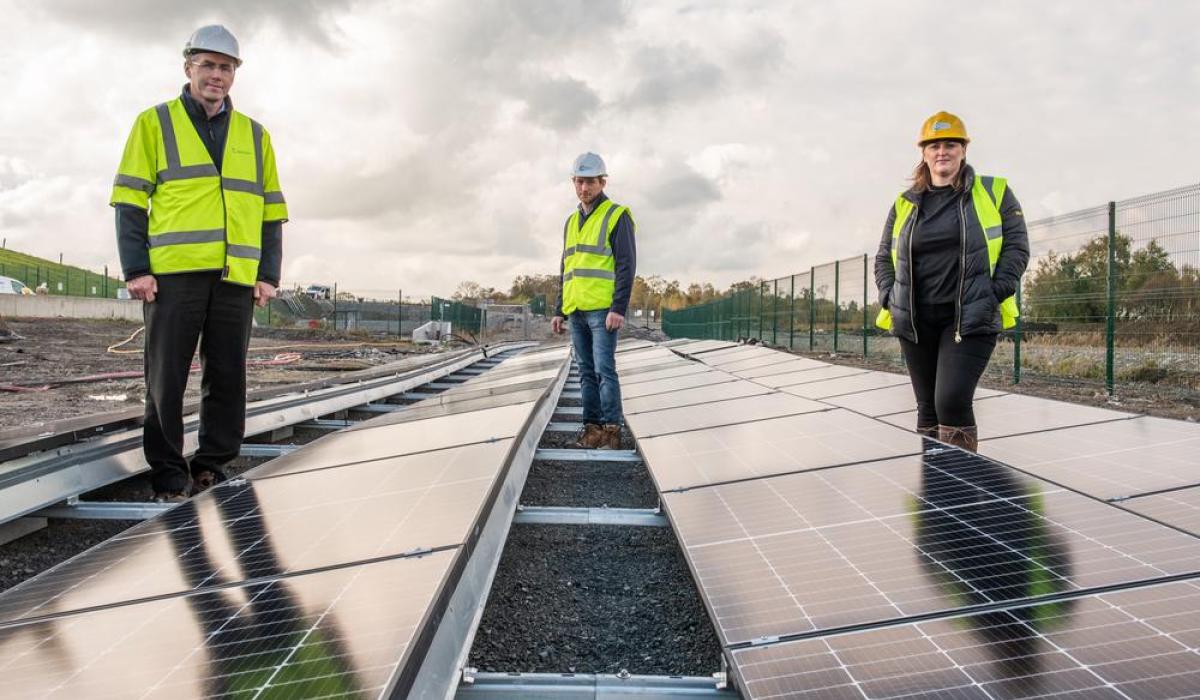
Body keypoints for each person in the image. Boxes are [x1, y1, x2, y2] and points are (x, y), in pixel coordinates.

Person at [110, 25, 287, 502]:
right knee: (166, 376)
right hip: (173, 276)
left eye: (225, 67)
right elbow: (129, 201)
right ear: (188, 67)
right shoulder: (155, 123)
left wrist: (268, 274)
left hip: (236, 278)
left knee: (227, 375)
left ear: (235, 74)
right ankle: (169, 472)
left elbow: (271, 210)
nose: (216, 75)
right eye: (207, 65)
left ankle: (211, 465)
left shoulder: (255, 135)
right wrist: (136, 269)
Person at [874, 111, 1029, 451]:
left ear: (963, 150)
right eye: (934, 146)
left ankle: (962, 488)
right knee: (927, 407)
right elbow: (884, 256)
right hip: (916, 321)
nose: (941, 152)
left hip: (969, 316)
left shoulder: (995, 192)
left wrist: (993, 292)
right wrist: (889, 295)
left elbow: (1017, 248)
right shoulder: (905, 204)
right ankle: (935, 492)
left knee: (951, 399)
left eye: (950, 145)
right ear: (924, 153)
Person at [551, 153, 637, 450]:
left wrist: (618, 308)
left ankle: (612, 433)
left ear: (602, 182)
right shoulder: (571, 221)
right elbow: (567, 267)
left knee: (604, 370)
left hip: (603, 311)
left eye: (589, 181)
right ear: (573, 182)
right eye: (579, 181)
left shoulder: (616, 215)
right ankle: (592, 431)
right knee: (585, 372)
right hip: (576, 311)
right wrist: (559, 309)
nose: (583, 187)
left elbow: (626, 264)